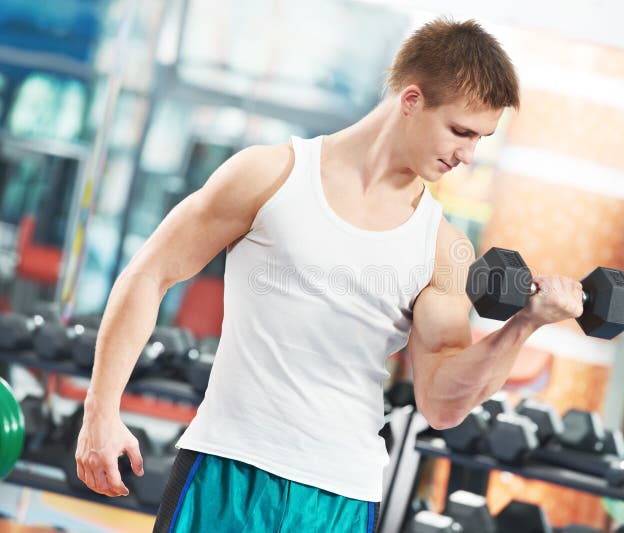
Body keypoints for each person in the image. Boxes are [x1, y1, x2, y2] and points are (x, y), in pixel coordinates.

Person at [75, 17, 584, 532]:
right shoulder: (271, 176)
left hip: (339, 494)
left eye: (481, 139)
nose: (468, 156)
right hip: (227, 466)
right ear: (411, 100)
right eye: (461, 132)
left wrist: (524, 325)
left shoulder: (443, 248)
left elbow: (442, 404)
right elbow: (149, 274)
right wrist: (101, 410)